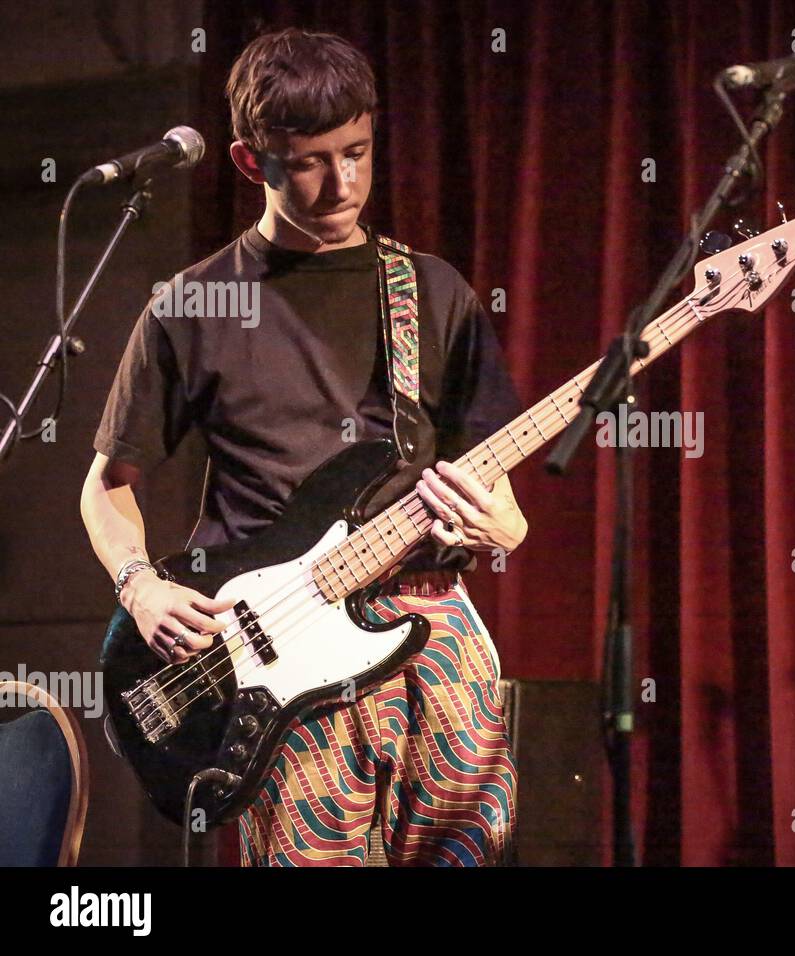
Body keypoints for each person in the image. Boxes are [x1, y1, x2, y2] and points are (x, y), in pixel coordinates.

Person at [80, 27, 527, 866]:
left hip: (429, 625)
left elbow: (500, 495)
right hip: (277, 654)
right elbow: (107, 484)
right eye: (312, 161)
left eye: (357, 151)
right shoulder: (192, 305)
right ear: (253, 163)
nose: (343, 183)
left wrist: (503, 528)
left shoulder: (431, 291)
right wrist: (139, 588)